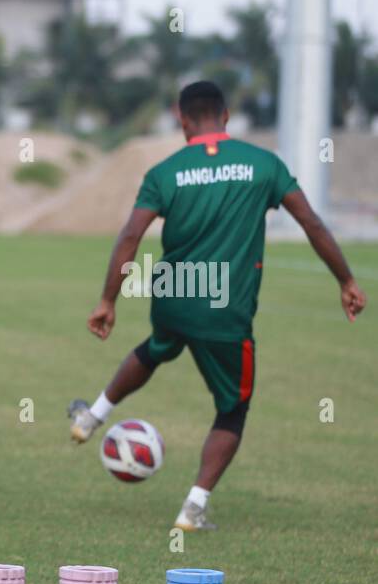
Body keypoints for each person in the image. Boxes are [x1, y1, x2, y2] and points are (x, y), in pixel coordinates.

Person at [68, 81, 367, 531]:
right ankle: (194, 506)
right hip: (225, 309)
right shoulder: (264, 165)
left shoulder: (165, 172)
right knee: (232, 408)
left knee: (157, 348)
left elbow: (130, 236)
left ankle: (92, 416)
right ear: (225, 116)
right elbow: (311, 222)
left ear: (181, 118)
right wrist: (345, 279)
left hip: (172, 294)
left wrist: (109, 299)